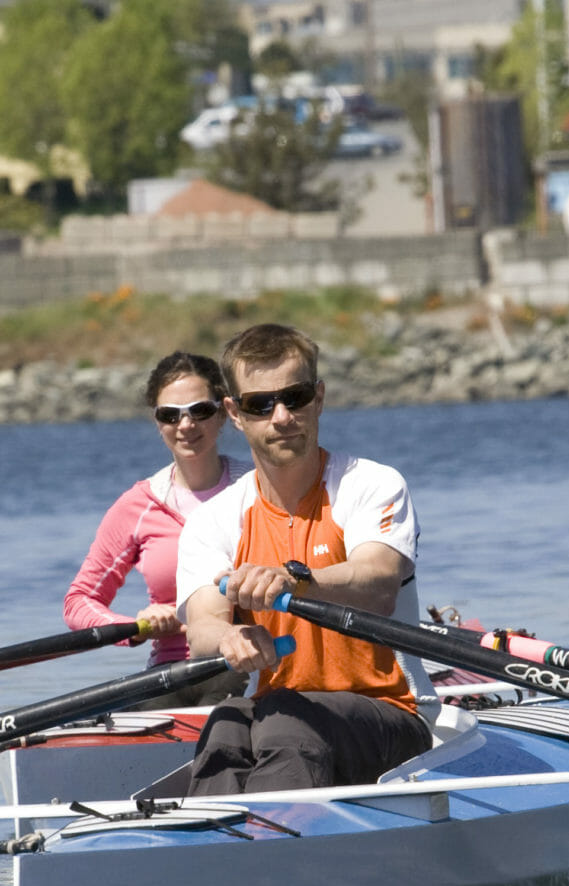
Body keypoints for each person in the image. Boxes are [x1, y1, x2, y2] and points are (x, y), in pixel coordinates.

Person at [175, 323, 433, 795]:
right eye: (259, 404)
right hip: (282, 713)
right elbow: (201, 630)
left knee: (285, 723)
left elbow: (377, 584)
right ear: (234, 412)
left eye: (294, 397)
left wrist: (293, 581)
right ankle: (209, 850)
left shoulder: (371, 485)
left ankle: (275, 844)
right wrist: (231, 637)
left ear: (318, 398)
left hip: (392, 713)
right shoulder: (212, 521)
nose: (281, 417)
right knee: (228, 723)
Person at [64, 350, 251, 707]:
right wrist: (134, 627)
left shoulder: (257, 489)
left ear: (224, 413)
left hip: (246, 658)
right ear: (157, 422)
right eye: (170, 415)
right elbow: (78, 602)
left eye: (200, 411)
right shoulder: (138, 506)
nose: (186, 425)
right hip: (170, 670)